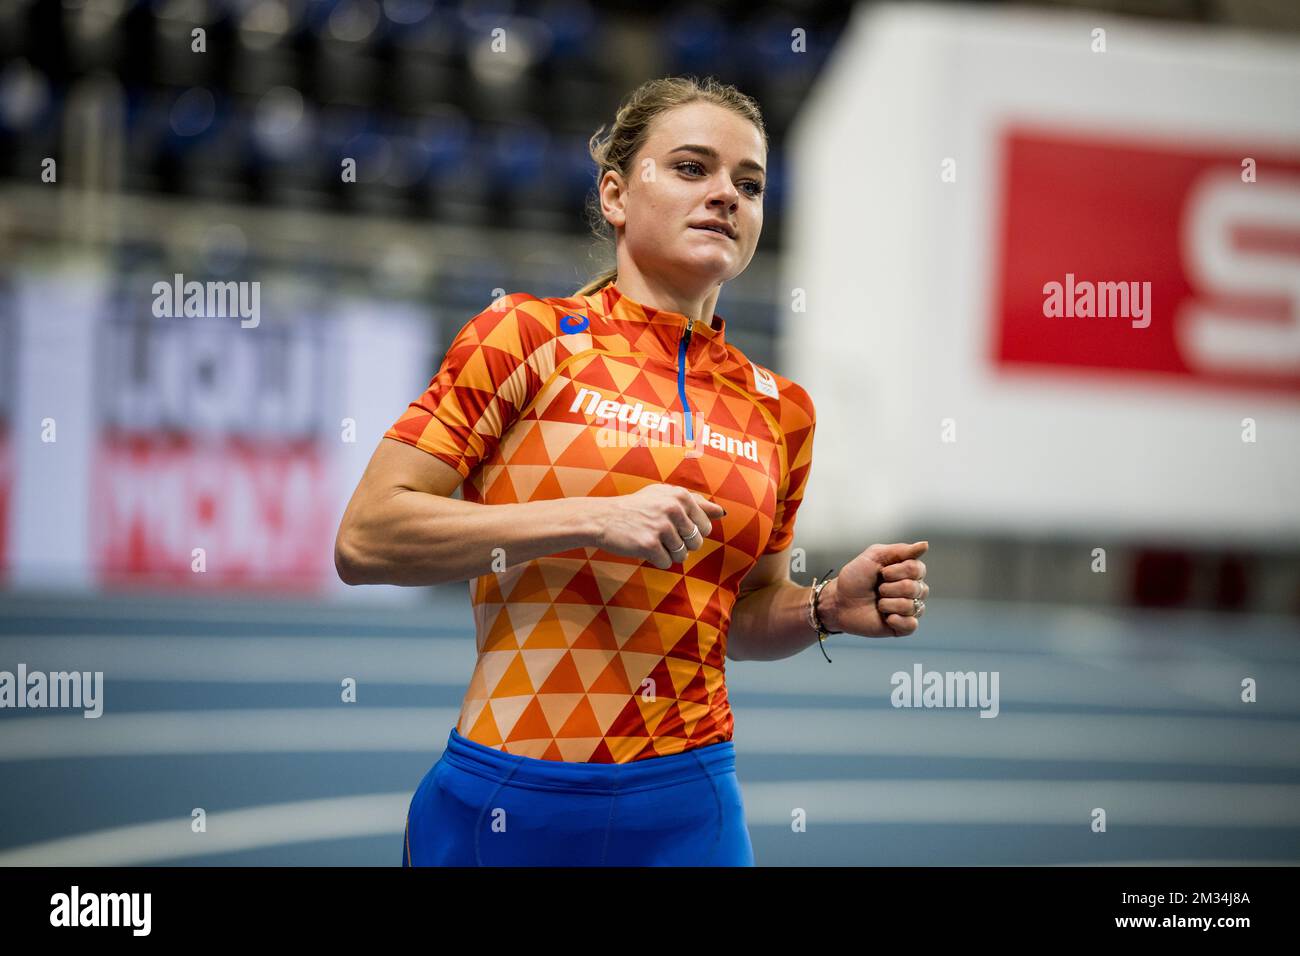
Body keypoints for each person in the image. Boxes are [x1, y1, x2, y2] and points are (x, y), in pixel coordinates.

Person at [334, 75, 929, 866]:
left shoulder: (782, 410)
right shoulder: (526, 338)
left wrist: (820, 606)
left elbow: (739, 617)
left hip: (690, 811)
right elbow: (367, 539)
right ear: (616, 195)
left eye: (748, 184)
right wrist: (590, 517)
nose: (726, 195)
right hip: (508, 799)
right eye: (692, 168)